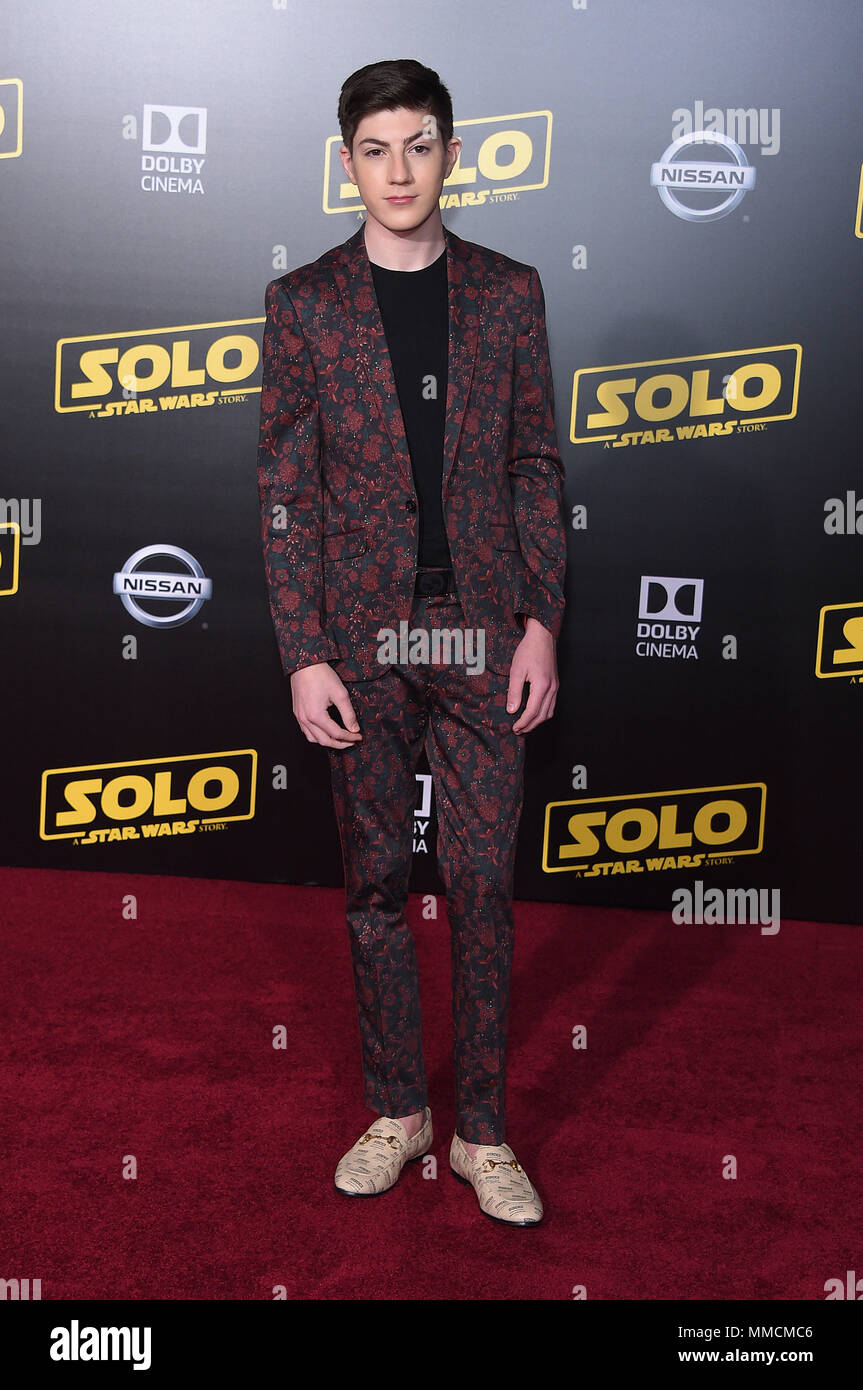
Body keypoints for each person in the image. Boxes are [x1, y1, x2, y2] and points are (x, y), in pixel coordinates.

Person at [256, 58, 567, 1225]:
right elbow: (286, 491)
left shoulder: (509, 292)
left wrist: (540, 623)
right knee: (377, 885)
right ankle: (399, 1111)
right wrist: (303, 651)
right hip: (358, 640)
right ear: (349, 161)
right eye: (376, 148)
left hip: (483, 637)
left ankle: (482, 1130)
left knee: (480, 886)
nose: (399, 169)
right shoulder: (303, 305)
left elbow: (536, 465)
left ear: (450, 153)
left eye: (420, 144)